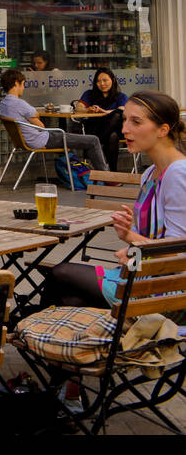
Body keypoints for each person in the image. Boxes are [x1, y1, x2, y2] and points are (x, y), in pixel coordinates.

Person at [42, 91, 186, 309]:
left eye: (136, 122)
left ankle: (23, 333)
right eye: (125, 119)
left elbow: (178, 251)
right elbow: (150, 244)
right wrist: (131, 239)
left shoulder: (178, 173)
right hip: (145, 275)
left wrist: (132, 244)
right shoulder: (150, 174)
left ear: (163, 130)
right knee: (69, 299)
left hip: (170, 289)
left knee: (61, 273)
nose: (125, 129)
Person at [0, 68, 108, 171]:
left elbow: (33, 116)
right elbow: (40, 125)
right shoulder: (19, 103)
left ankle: (73, 173)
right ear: (16, 83)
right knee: (93, 140)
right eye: (23, 84)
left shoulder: (4, 104)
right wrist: (35, 117)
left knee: (68, 138)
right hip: (41, 140)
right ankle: (106, 177)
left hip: (26, 141)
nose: (24, 88)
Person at [73, 67, 129, 171]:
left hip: (115, 128)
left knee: (117, 116)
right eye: (98, 81)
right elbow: (78, 108)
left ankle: (96, 143)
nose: (102, 84)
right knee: (113, 137)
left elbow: (122, 110)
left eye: (105, 80)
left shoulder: (120, 96)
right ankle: (113, 174)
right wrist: (88, 109)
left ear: (113, 80)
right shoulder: (89, 94)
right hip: (95, 127)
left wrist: (103, 111)